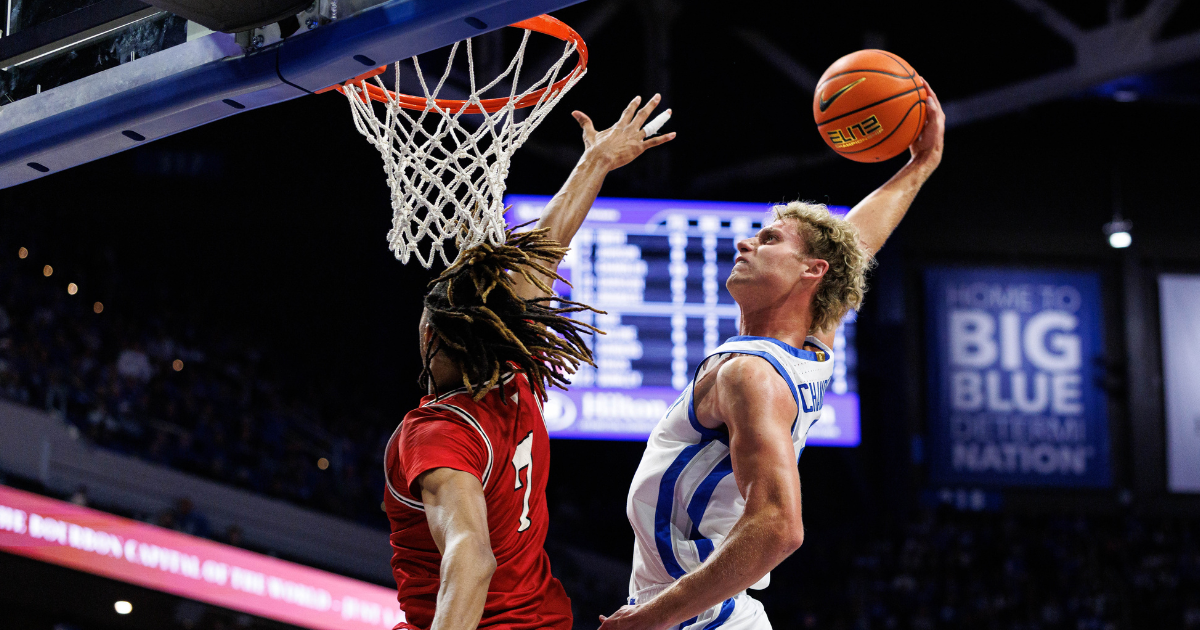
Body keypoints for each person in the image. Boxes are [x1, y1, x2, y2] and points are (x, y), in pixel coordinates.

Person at [596, 84, 946, 630]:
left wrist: (649, 620)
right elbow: (856, 244)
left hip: (693, 617)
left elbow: (780, 526)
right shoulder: (809, 347)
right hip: (710, 611)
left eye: (768, 239)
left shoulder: (751, 375)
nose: (744, 244)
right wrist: (921, 165)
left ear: (810, 272)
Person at [383, 95, 675, 630]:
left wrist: (599, 160)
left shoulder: (436, 435)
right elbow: (548, 244)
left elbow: (471, 560)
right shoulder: (515, 376)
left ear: (429, 336)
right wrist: (596, 162)